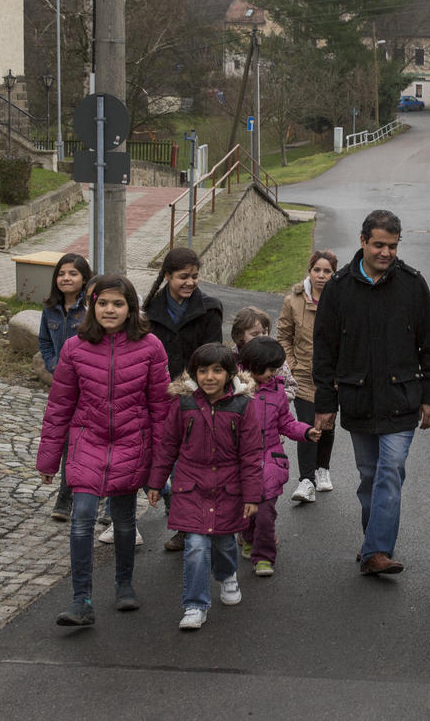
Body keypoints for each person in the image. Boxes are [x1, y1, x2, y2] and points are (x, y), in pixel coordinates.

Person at [313, 209, 430, 576]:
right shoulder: (338, 288)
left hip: (402, 398)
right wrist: (325, 403)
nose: (386, 253)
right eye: (379, 245)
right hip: (358, 399)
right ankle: (373, 540)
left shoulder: (413, 285)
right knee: (370, 475)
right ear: (363, 242)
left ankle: (376, 551)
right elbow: (324, 351)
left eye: (393, 246)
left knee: (391, 470)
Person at [36, 275, 170, 626]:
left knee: (124, 520)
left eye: (118, 303)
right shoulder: (74, 348)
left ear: (131, 308)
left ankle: (124, 584)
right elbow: (59, 406)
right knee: (81, 517)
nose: (110, 310)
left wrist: (159, 470)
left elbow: (161, 410)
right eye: (103, 303)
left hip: (131, 443)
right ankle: (81, 600)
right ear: (92, 306)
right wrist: (49, 458)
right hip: (88, 442)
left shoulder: (151, 347)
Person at [148, 343, 264, 631]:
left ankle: (227, 575)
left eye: (217, 371)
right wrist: (156, 482)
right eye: (202, 371)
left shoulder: (243, 406)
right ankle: (194, 605)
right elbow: (168, 445)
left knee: (224, 543)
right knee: (196, 546)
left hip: (228, 488)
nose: (209, 377)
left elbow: (251, 455)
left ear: (229, 374)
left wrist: (252, 495)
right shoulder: (183, 403)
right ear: (194, 373)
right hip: (191, 487)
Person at [144, 247, 223, 552]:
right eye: (182, 277)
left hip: (196, 397)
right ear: (167, 276)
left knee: (189, 466)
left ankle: (189, 527)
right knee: (160, 460)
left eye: (194, 276)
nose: (190, 282)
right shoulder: (149, 310)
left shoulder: (209, 309)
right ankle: (177, 512)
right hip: (158, 398)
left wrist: (199, 389)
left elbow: (213, 355)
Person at [236, 336, 321, 576]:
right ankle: (248, 537)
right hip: (240, 461)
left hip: (270, 459)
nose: (273, 374)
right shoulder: (234, 391)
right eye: (269, 369)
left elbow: (286, 422)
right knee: (245, 508)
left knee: (265, 511)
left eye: (275, 369)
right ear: (251, 365)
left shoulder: (278, 391)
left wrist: (306, 431)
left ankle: (264, 557)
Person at [277, 250, 338, 504]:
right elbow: (283, 337)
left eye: (327, 271)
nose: (321, 275)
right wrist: (292, 365)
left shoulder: (341, 300)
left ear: (334, 274)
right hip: (302, 374)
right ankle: (306, 480)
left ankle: (323, 468)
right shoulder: (293, 301)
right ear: (309, 272)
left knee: (327, 423)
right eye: (317, 270)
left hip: (332, 376)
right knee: (306, 423)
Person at [38, 252, 92, 521]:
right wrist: (53, 365)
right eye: (61, 274)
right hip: (62, 387)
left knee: (78, 441)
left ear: (84, 279)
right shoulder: (50, 308)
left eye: (73, 273)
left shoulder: (90, 309)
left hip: (88, 386)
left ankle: (66, 499)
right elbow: (45, 341)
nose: (66, 278)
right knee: (63, 438)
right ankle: (67, 497)